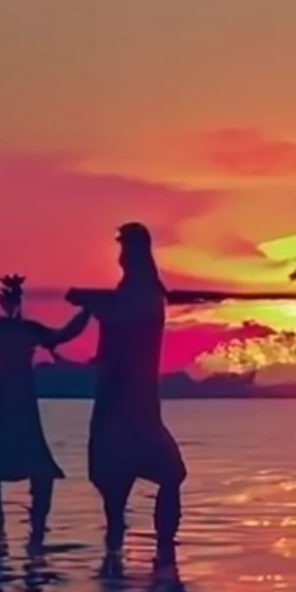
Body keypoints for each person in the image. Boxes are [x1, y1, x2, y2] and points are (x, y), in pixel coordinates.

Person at [67, 223, 188, 561]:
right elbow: (115, 314)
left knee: (171, 474)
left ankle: (164, 556)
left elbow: (126, 313)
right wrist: (90, 301)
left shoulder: (145, 294)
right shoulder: (129, 292)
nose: (122, 256)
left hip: (136, 405)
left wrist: (91, 299)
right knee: (116, 494)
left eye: (126, 248)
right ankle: (121, 555)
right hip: (115, 401)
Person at [0, 274, 90, 542]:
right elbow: (59, 335)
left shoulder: (24, 329)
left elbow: (64, 334)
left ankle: (34, 535)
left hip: (19, 400)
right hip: (6, 401)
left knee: (38, 471)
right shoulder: (1, 327)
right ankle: (0, 533)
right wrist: (87, 311)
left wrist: (87, 311)